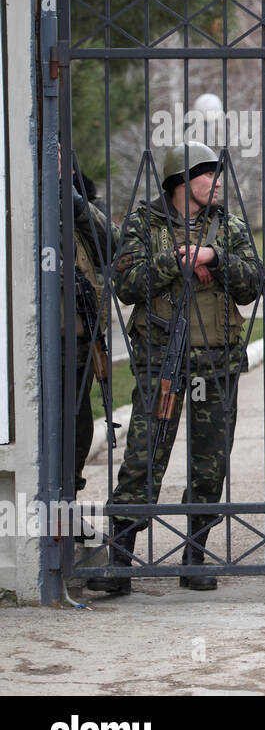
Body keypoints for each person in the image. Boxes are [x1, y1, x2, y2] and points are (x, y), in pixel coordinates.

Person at [87, 141, 259, 595]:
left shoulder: (229, 226)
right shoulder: (145, 224)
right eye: (207, 175)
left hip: (216, 364)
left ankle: (194, 556)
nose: (216, 183)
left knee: (210, 465)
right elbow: (125, 284)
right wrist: (177, 261)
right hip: (161, 361)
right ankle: (120, 560)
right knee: (144, 459)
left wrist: (214, 258)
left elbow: (252, 284)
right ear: (181, 181)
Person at [63, 150, 120, 494]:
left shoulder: (82, 207)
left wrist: (75, 203)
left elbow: (112, 245)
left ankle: (66, 504)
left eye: (64, 160)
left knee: (78, 429)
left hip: (79, 347)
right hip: (32, 346)